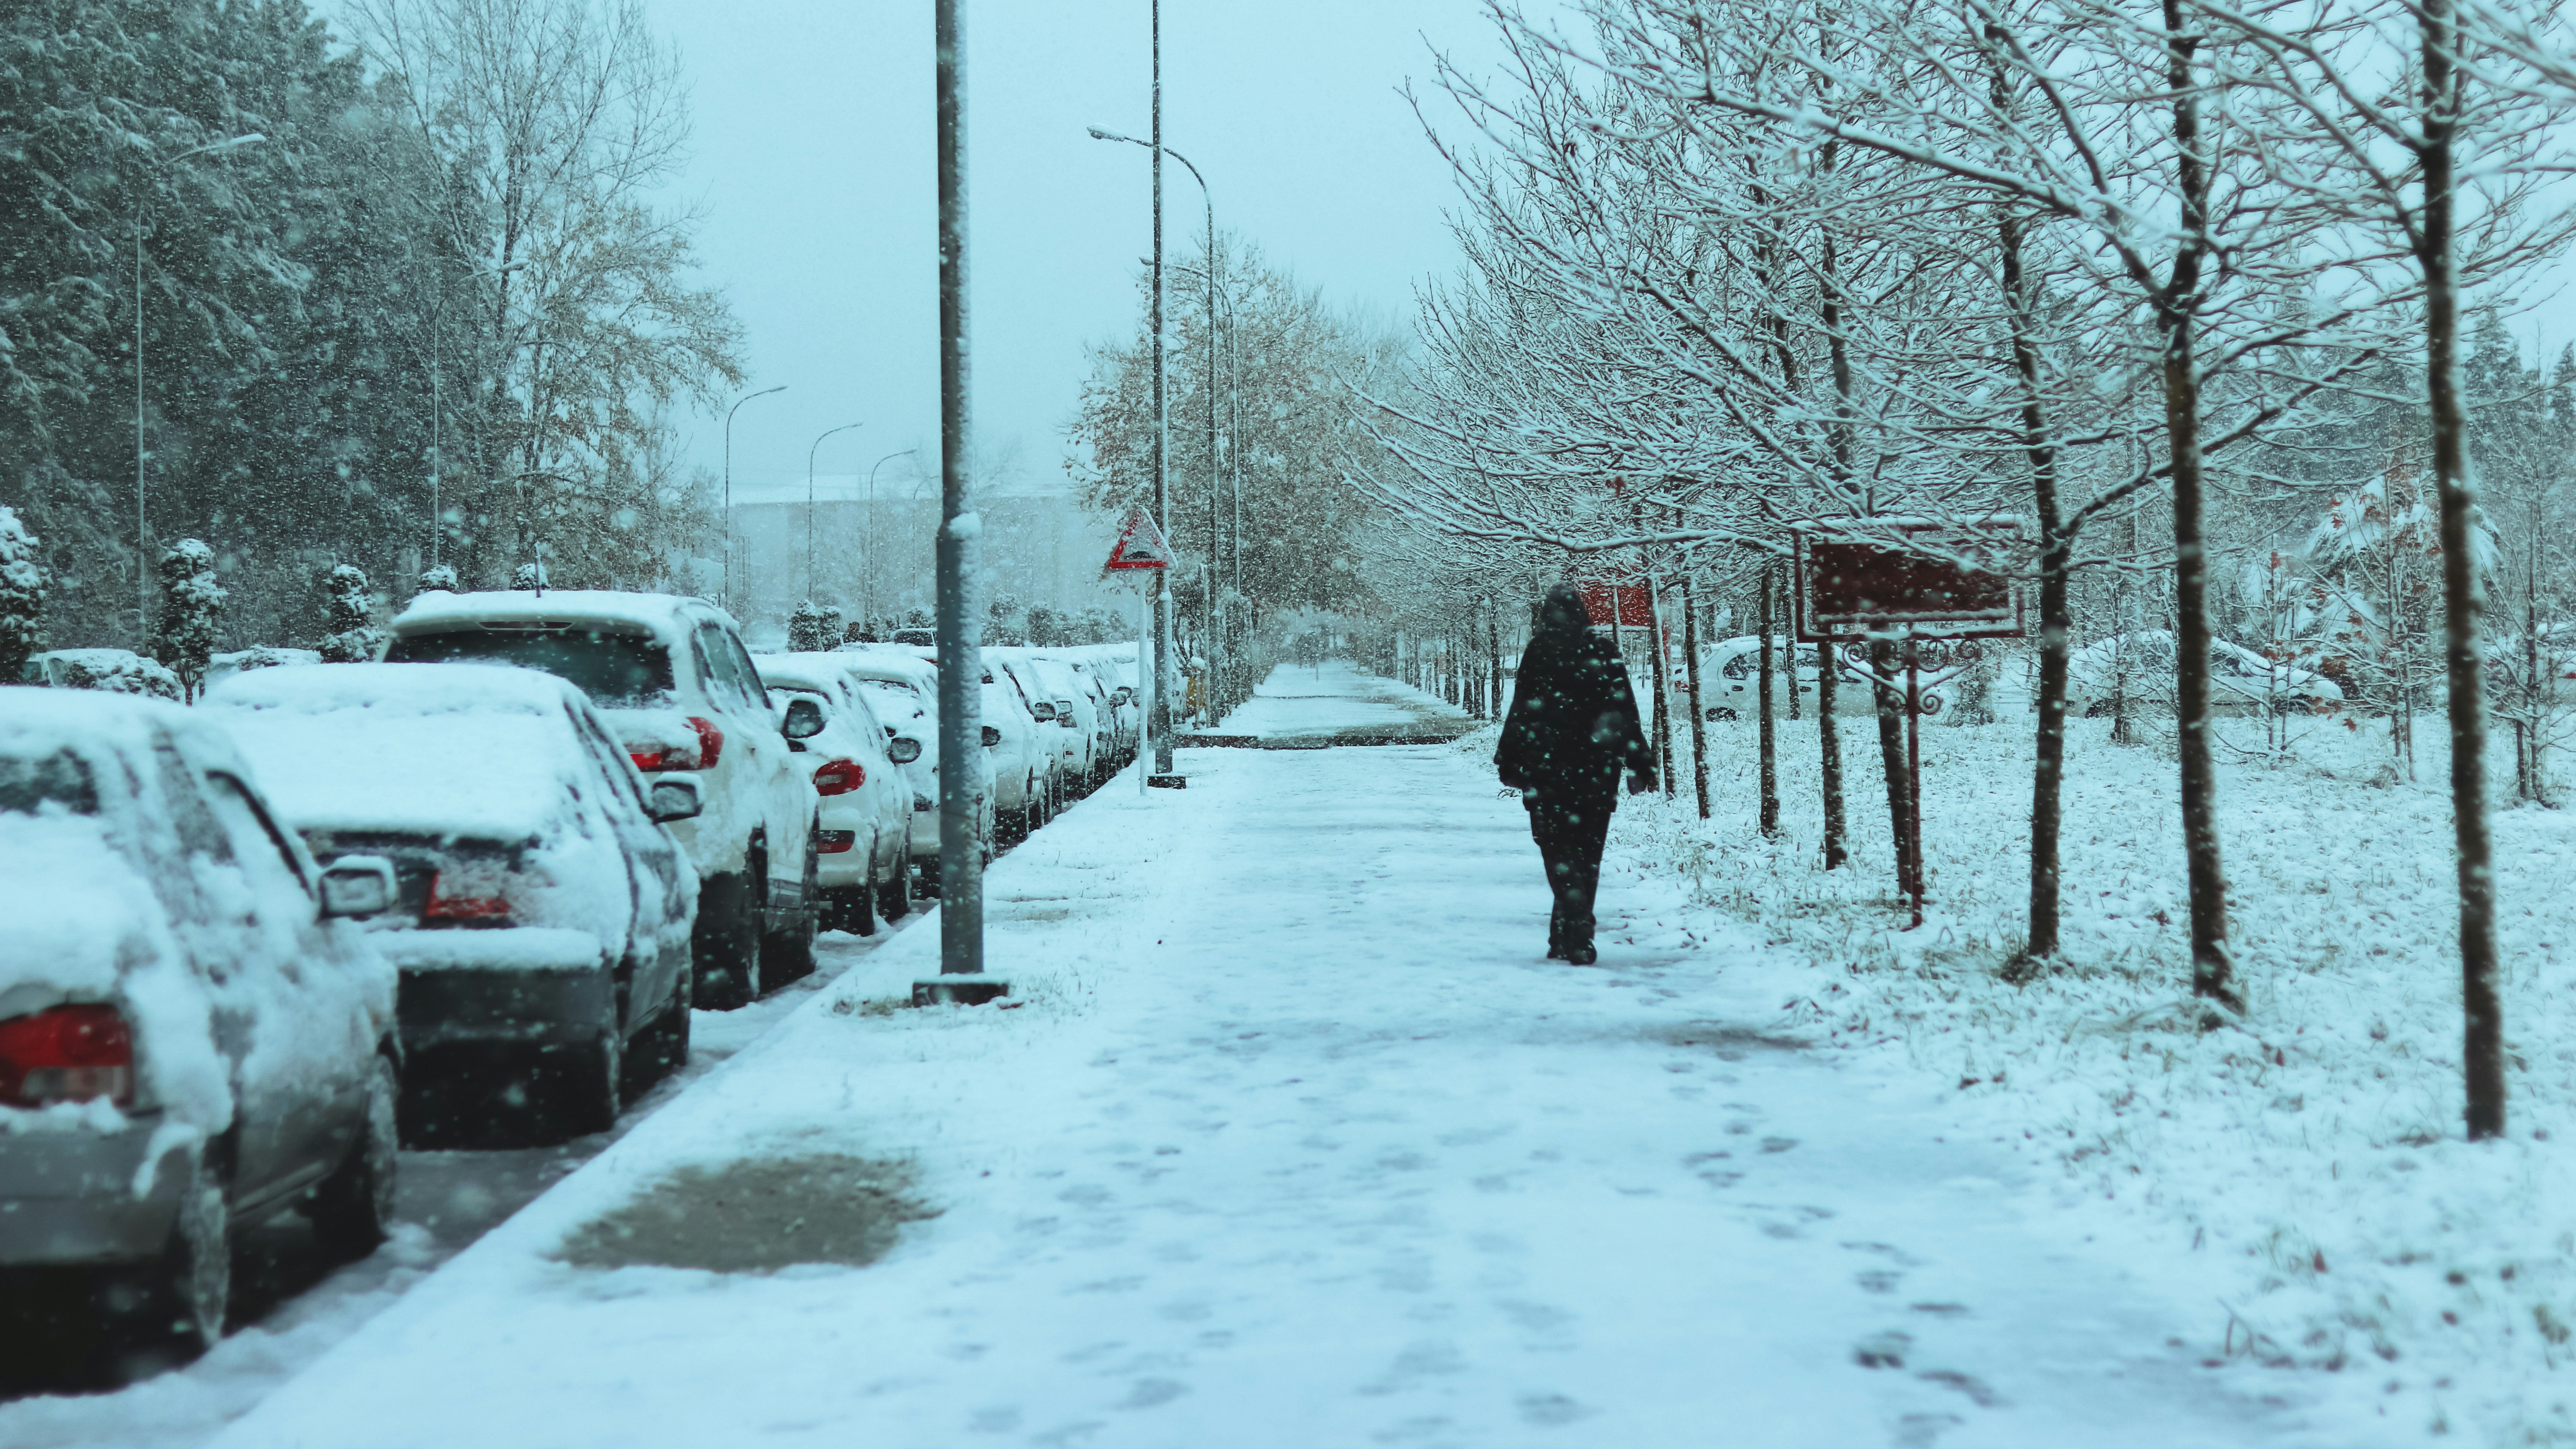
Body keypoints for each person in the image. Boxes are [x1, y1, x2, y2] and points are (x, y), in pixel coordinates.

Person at [1495, 583, 1656, 964]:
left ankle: (1575, 924)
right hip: (1596, 775)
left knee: (1557, 851)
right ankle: (1570, 933)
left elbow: (1522, 710)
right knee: (1588, 854)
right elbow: (1625, 712)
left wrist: (1511, 761)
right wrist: (1640, 763)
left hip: (1548, 773)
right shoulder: (1604, 652)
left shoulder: (1540, 653)